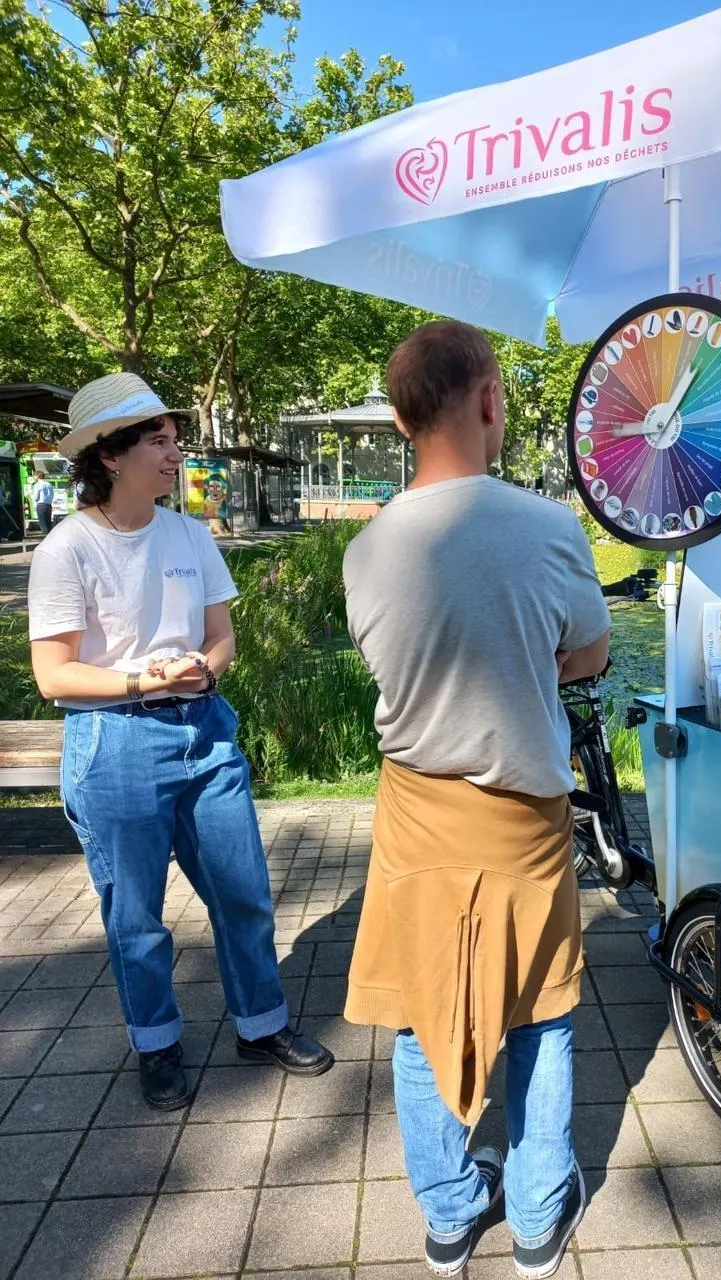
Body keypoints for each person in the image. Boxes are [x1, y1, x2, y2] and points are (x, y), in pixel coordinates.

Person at [342, 322, 610, 1278]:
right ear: (489, 397)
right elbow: (588, 653)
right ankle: (538, 1216)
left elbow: (398, 666)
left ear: (404, 415)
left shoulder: (366, 551)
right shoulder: (545, 527)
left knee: (422, 1013)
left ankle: (451, 1214)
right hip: (520, 815)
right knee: (541, 1009)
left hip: (414, 807)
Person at [27, 372, 334, 1111]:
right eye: (159, 441)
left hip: (204, 733)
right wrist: (144, 682)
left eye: (174, 439)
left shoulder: (189, 534)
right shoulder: (67, 550)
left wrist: (201, 669)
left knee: (243, 893)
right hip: (114, 743)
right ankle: (156, 1045)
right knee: (135, 917)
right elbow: (53, 675)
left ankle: (260, 1025)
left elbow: (221, 638)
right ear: (110, 455)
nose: (176, 453)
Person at [31, 468, 55, 535]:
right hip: (48, 505)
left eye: (34, 476)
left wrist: (30, 495)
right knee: (48, 522)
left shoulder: (37, 485)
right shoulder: (49, 484)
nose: (34, 477)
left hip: (40, 505)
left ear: (37, 476)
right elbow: (52, 495)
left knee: (43, 523)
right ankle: (51, 537)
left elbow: (36, 498)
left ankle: (45, 537)